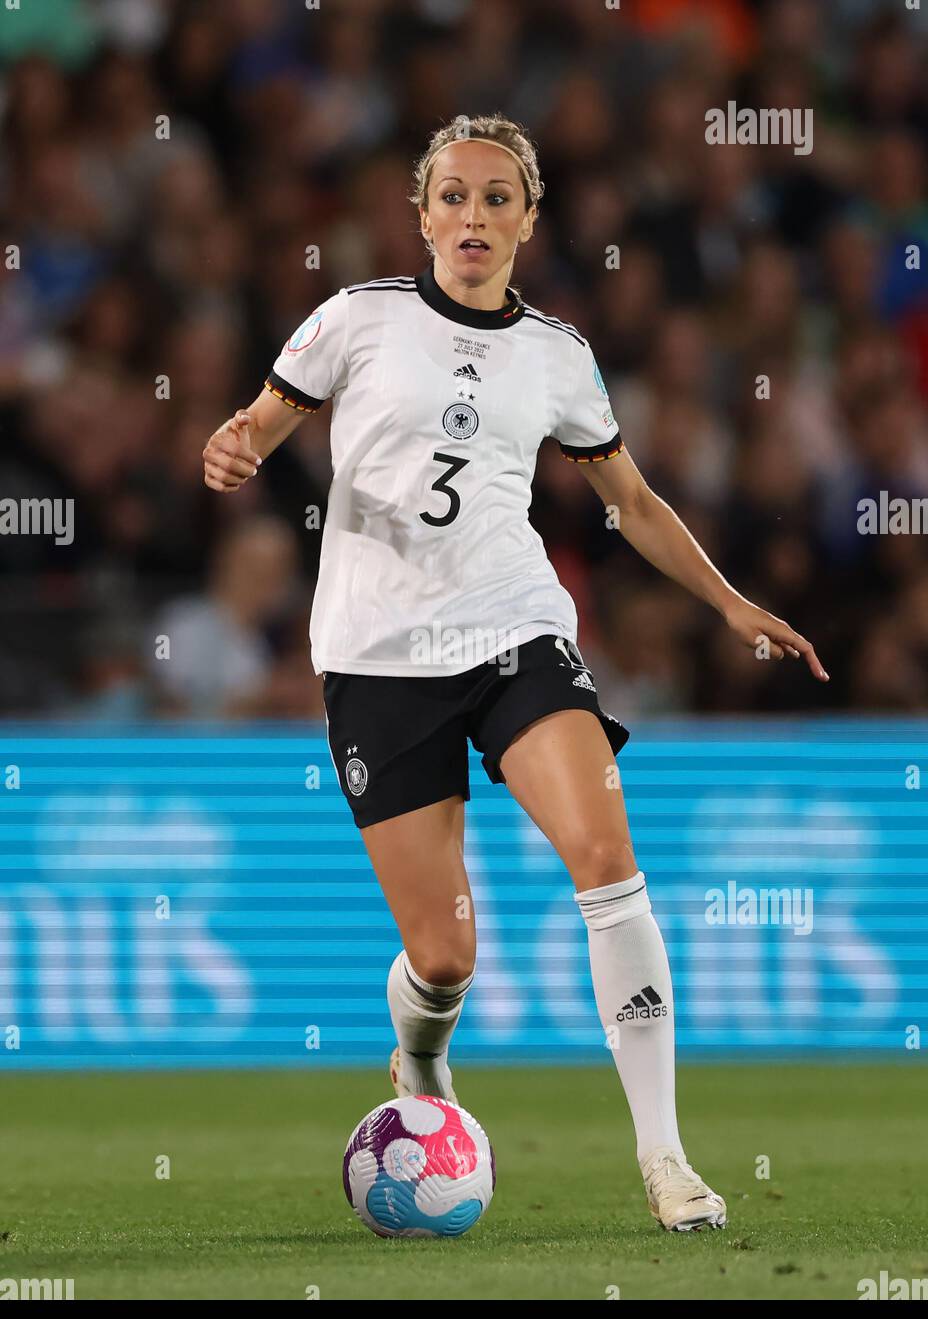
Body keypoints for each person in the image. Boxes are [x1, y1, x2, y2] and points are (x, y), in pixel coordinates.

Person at [202, 114, 828, 1233]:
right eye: (453, 196)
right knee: (443, 957)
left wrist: (730, 602)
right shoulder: (355, 320)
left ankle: (666, 1157)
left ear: (530, 221)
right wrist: (236, 444)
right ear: (422, 211)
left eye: (498, 199)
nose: (473, 217)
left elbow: (628, 502)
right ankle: (420, 1049)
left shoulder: (558, 356)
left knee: (604, 854)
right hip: (377, 656)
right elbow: (260, 418)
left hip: (514, 634)